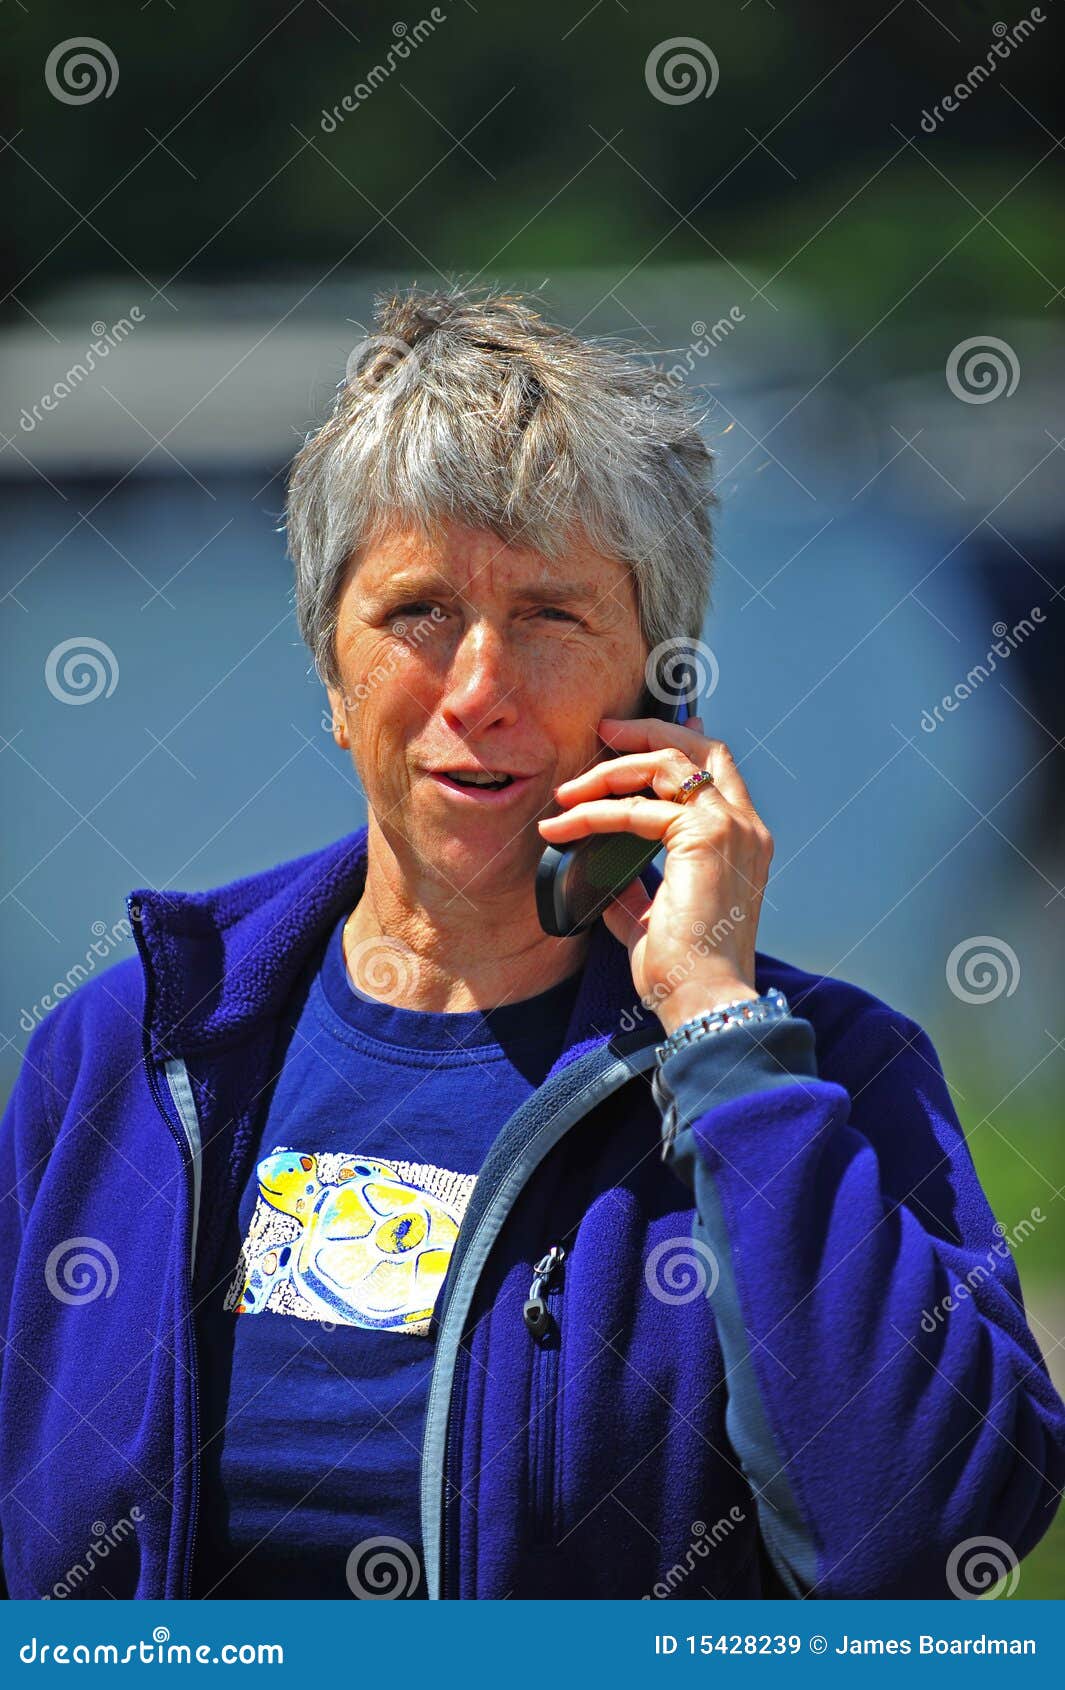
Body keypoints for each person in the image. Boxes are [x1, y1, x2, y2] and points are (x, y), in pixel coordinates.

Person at [1, 286, 1062, 1602]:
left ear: (656, 688)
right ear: (332, 671)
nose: (480, 688)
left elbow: (926, 1541)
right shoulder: (126, 1058)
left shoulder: (822, 1072)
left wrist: (720, 1028)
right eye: (418, 613)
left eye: (553, 616)